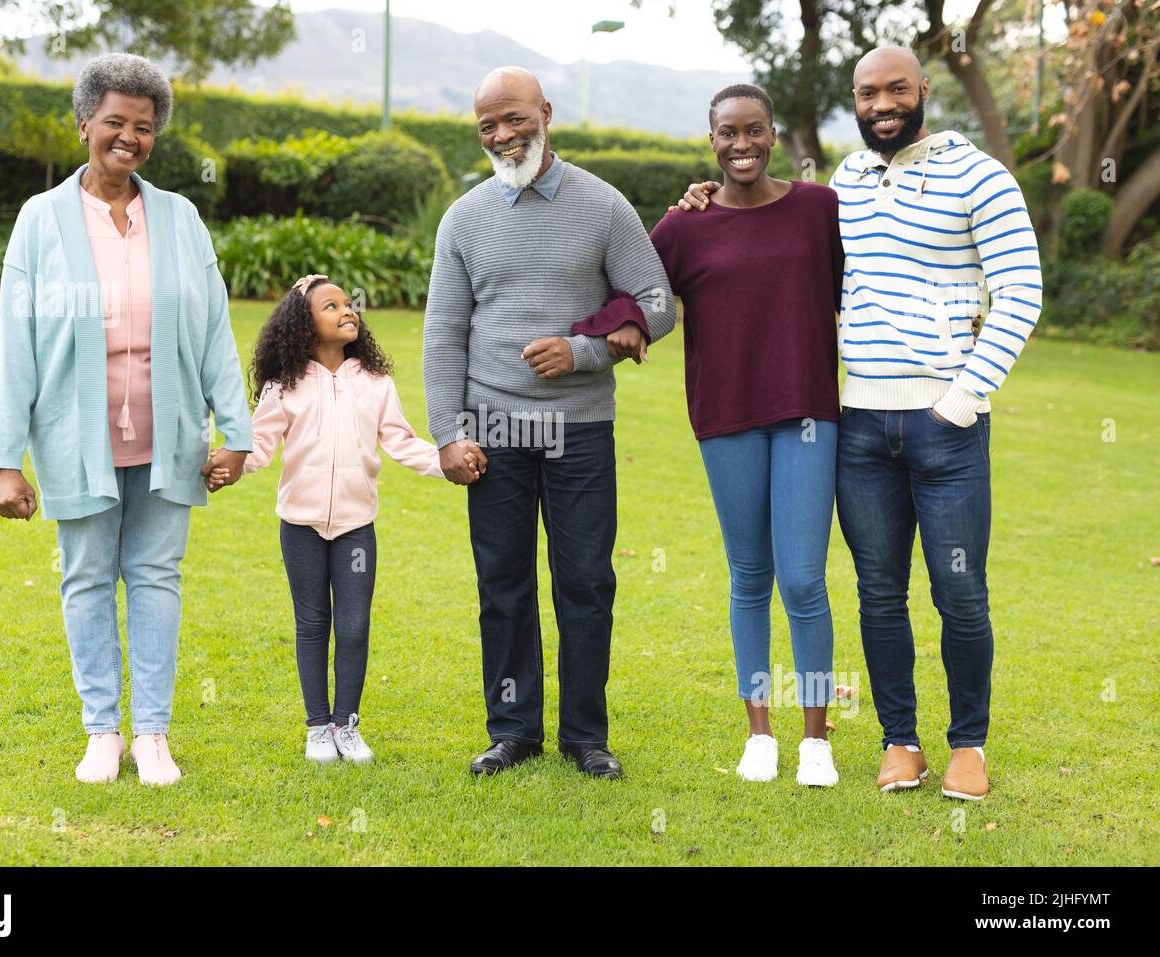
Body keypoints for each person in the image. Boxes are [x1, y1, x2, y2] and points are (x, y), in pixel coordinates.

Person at [676, 47, 1043, 800]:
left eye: (896, 89)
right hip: (860, 423)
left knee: (960, 592)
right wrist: (704, 201)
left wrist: (964, 397)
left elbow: (1022, 292)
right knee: (879, 591)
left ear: (922, 92)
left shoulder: (982, 176)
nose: (882, 103)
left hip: (946, 420)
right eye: (867, 92)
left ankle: (968, 742)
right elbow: (784, 253)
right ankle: (899, 739)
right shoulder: (845, 181)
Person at [0, 53, 252, 786]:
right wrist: (5, 458)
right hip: (77, 438)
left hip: (170, 436)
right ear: (84, 126)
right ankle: (102, 730)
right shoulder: (41, 221)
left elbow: (212, 332)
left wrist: (238, 432)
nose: (128, 137)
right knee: (87, 579)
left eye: (143, 126)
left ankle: (154, 734)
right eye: (114, 122)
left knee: (157, 576)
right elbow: (16, 342)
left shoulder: (181, 217)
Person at [423, 67, 676, 779]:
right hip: (495, 431)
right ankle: (512, 731)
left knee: (586, 582)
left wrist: (586, 351)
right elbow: (443, 333)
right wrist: (449, 432)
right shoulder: (464, 218)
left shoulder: (602, 206)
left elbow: (657, 302)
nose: (504, 136)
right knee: (502, 581)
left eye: (515, 119)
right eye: (488, 126)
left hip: (581, 429)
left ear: (546, 113)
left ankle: (585, 736)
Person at [204, 276, 484, 765]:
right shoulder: (284, 386)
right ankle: (317, 728)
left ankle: (346, 725)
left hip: (356, 527)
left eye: (347, 304)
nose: (346, 310)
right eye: (329, 306)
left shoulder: (374, 382)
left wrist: (445, 461)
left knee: (353, 626)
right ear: (302, 325)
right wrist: (230, 467)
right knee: (312, 623)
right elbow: (260, 445)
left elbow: (401, 440)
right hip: (301, 526)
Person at [650, 84, 844, 786]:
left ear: (773, 134)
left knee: (802, 577)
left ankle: (815, 741)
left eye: (754, 130)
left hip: (807, 413)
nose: (741, 144)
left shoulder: (819, 208)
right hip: (725, 415)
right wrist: (602, 333)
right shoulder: (683, 227)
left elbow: (859, 288)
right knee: (749, 576)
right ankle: (759, 733)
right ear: (711, 141)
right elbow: (634, 292)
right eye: (727, 132)